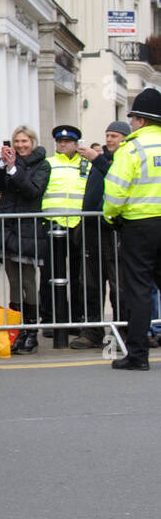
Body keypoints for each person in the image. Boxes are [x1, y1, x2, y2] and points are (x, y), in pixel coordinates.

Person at [102, 88, 161, 370]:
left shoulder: (132, 148)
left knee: (138, 290)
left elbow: (114, 191)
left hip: (139, 226)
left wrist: (111, 216)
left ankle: (138, 356)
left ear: (140, 120)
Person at [0, 125, 50, 353]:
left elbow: (34, 191)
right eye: (17, 142)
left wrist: (14, 169)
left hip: (28, 228)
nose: (21, 146)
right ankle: (17, 329)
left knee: (28, 280)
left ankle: (32, 330)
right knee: (13, 280)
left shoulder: (42, 164)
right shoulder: (5, 162)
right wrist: (2, 166)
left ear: (32, 142)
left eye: (25, 141)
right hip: (7, 227)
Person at [75, 120, 131, 348]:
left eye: (115, 136)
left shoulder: (122, 160)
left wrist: (97, 160)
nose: (109, 140)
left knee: (119, 286)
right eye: (108, 135)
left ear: (125, 139)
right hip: (92, 230)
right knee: (90, 284)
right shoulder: (99, 159)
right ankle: (92, 331)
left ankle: (123, 331)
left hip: (114, 231)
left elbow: (118, 180)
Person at [39, 124, 89, 349]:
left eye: (67, 142)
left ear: (76, 144)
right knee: (51, 274)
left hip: (80, 225)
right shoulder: (49, 164)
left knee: (79, 275)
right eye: (60, 142)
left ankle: (77, 318)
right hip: (53, 224)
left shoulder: (86, 164)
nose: (63, 145)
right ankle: (50, 319)